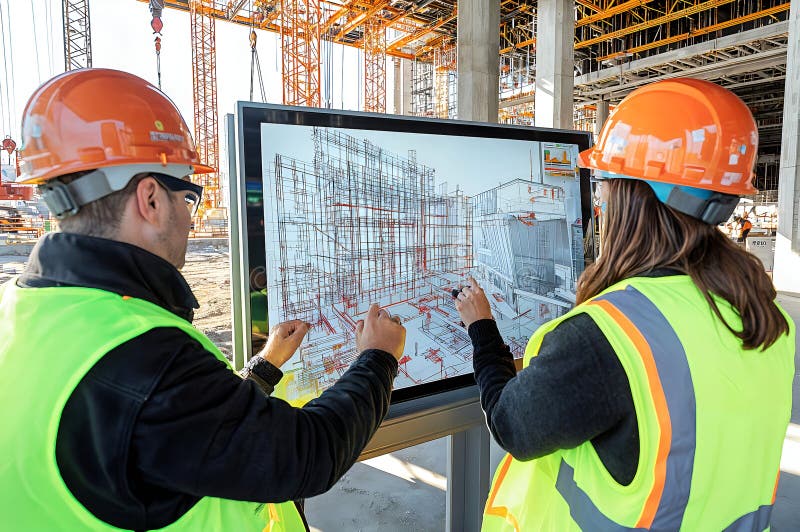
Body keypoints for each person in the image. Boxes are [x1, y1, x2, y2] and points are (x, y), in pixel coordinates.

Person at [0, 68, 406, 531]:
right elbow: (306, 454)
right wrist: (377, 358)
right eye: (189, 198)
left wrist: (265, 368)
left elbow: (176, 432)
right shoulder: (144, 357)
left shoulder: (22, 308)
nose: (192, 221)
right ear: (150, 199)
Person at [455, 78, 795, 530]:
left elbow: (513, 425)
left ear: (633, 194)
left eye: (604, 182)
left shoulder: (606, 336)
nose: (600, 198)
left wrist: (482, 330)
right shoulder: (763, 315)